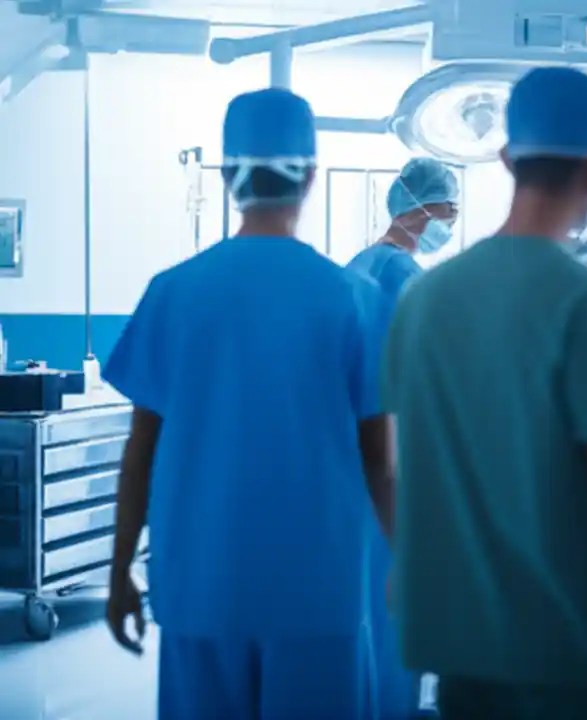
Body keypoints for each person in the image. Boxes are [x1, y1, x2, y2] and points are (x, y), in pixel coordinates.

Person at [380, 66, 587, 720]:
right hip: (575, 655)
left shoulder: (423, 301)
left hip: (463, 648)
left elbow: (400, 472)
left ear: (507, 159)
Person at [102, 88, 394, 719]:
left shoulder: (174, 294)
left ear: (228, 175)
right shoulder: (354, 299)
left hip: (203, 587)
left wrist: (119, 568)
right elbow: (381, 466)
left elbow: (140, 455)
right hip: (319, 592)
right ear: (311, 177)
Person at [346, 156, 460, 720]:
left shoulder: (358, 266)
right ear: (421, 209)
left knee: (368, 602)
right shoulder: (406, 279)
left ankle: (372, 703)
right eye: (448, 210)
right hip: (396, 461)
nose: (452, 222)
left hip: (354, 461)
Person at [348, 157, 460, 307]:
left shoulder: (364, 261)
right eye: (447, 220)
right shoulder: (404, 275)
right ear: (417, 214)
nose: (452, 219)